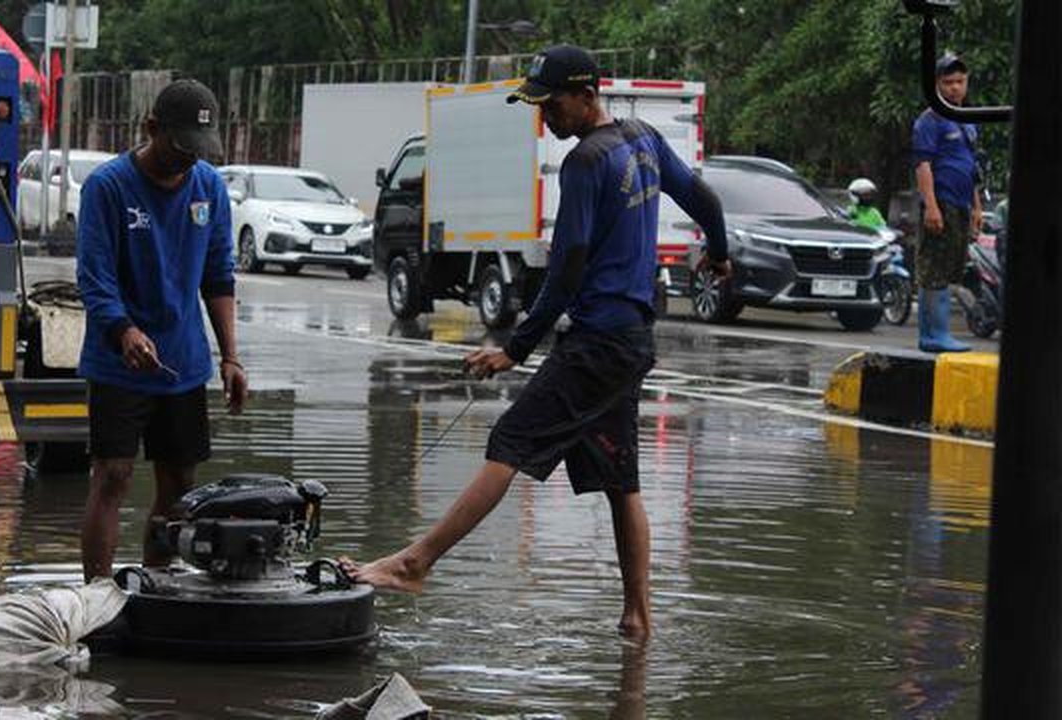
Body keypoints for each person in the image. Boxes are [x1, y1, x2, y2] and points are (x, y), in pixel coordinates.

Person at [341, 45, 731, 639]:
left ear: (584, 95)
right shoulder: (644, 138)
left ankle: (414, 563)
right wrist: (719, 254)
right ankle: (638, 619)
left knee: (510, 443)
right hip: (631, 341)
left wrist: (515, 348)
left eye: (550, 104)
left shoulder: (585, 163)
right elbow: (704, 199)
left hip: (598, 342)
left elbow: (567, 265)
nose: (544, 117)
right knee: (621, 480)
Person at [76, 79, 247, 582]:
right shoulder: (107, 187)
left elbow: (219, 274)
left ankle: (157, 582)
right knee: (113, 475)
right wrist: (123, 330)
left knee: (180, 483)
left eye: (199, 151)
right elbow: (94, 276)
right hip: (118, 362)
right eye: (180, 148)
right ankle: (97, 594)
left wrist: (230, 356)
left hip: (183, 362)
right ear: (152, 129)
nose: (189, 160)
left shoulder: (209, 187)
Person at [912, 53, 979, 353]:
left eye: (960, 81)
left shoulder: (967, 121)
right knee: (934, 269)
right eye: (948, 82)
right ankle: (933, 335)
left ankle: (937, 334)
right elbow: (923, 165)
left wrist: (977, 207)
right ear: (937, 84)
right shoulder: (930, 120)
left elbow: (971, 167)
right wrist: (932, 206)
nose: (955, 88)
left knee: (950, 268)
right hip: (941, 203)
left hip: (963, 204)